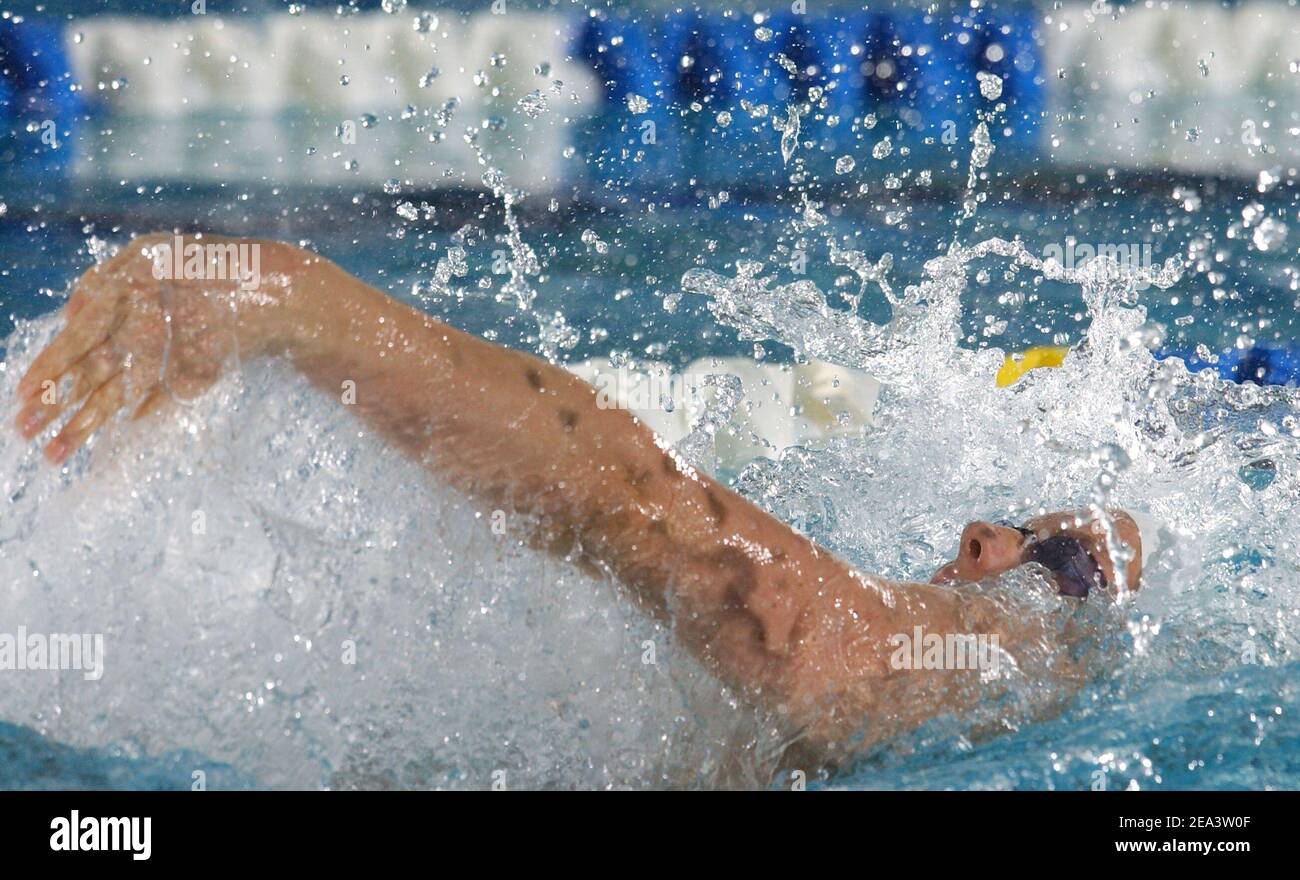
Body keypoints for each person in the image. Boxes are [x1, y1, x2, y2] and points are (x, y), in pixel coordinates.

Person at [12, 233, 1142, 760]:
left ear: (992, 548)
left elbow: (744, 586)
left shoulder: (1007, 640)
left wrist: (289, 298)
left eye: (1040, 548)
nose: (972, 544)